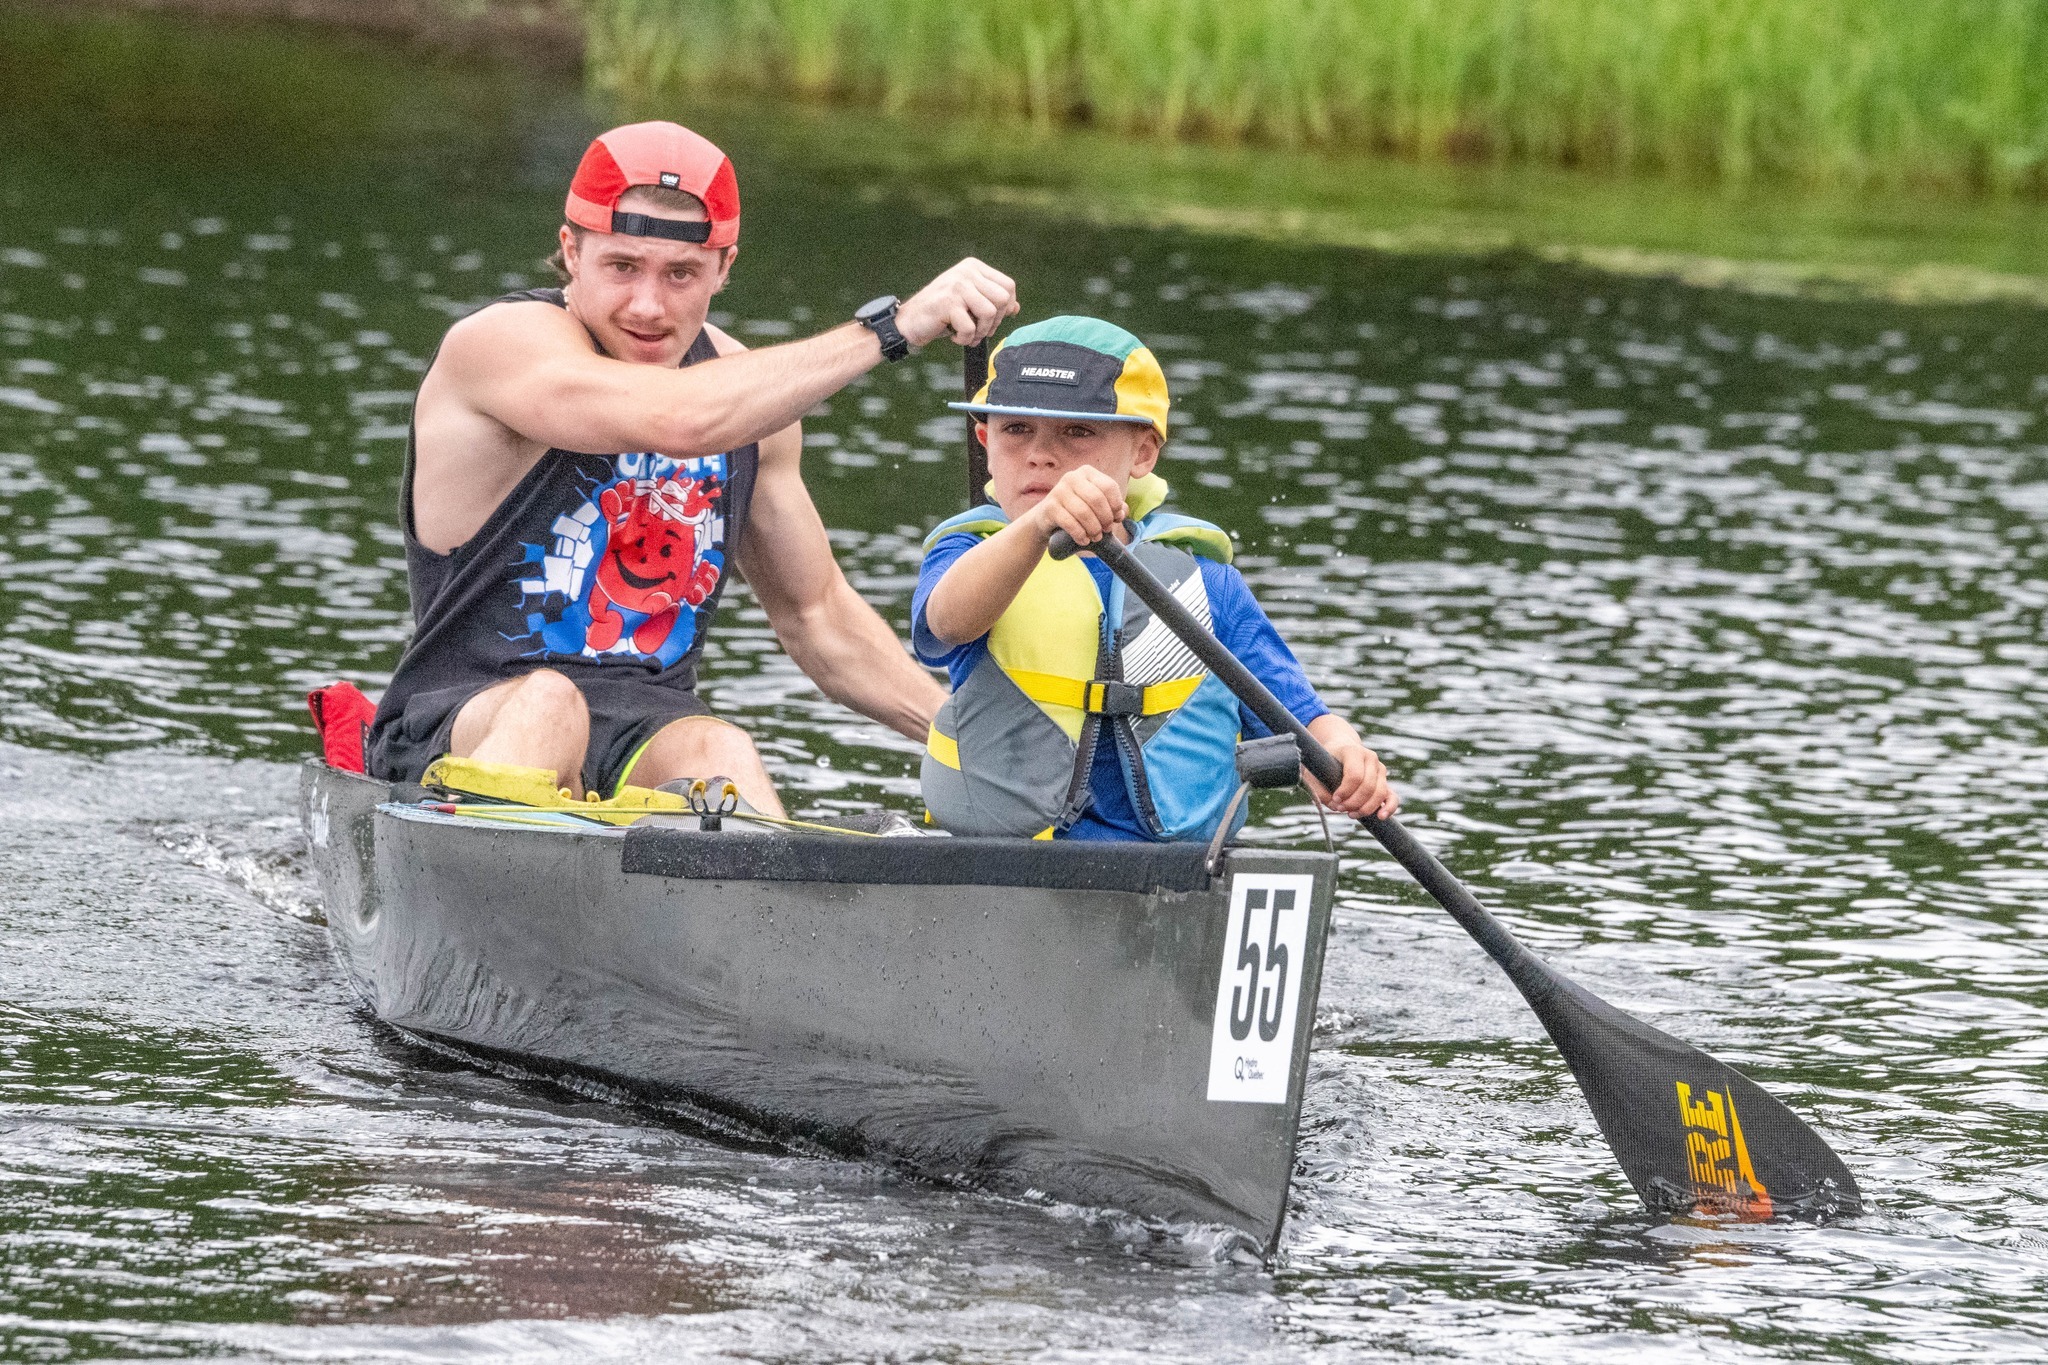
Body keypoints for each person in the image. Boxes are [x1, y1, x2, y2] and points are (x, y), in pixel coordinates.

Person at [363, 120, 1018, 815]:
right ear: (571, 250)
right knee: (551, 705)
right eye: (622, 266)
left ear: (724, 268)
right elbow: (676, 418)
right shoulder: (498, 345)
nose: (649, 304)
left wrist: (967, 740)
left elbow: (816, 614)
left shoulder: (752, 401)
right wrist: (895, 327)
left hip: (647, 724)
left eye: (681, 273)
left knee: (721, 749)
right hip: (465, 716)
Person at [911, 316, 1398, 841]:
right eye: (1015, 429)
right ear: (984, 440)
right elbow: (946, 624)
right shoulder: (971, 554)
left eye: (1077, 431)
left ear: (1143, 453)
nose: (1039, 453)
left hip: (1174, 871)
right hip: (1006, 861)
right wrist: (1036, 526)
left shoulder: (1208, 584)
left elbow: (1300, 719)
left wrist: (1346, 753)